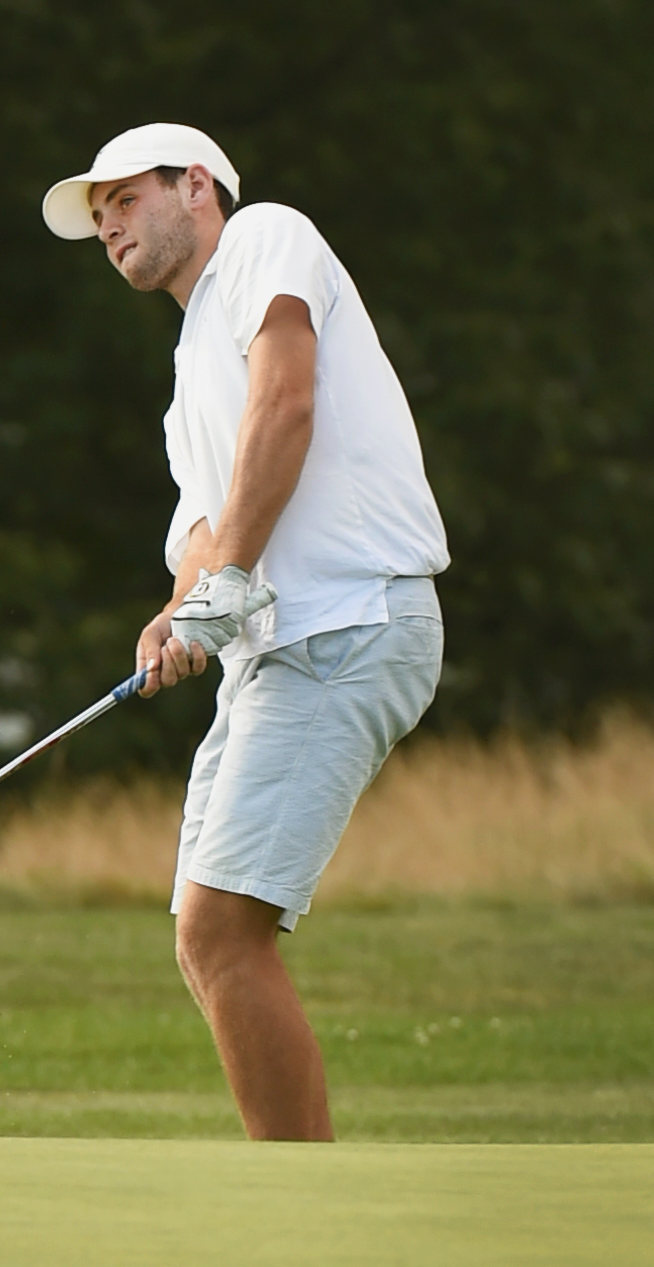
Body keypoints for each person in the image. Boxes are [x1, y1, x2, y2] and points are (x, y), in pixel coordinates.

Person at [40, 123, 449, 1141]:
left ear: (195, 186)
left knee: (223, 929)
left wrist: (222, 581)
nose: (108, 227)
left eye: (124, 200)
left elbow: (287, 405)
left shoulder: (268, 236)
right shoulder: (186, 377)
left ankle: (298, 1209)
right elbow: (204, 530)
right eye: (98, 219)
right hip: (278, 653)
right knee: (200, 935)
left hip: (351, 620)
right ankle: (294, 1189)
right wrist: (181, 608)